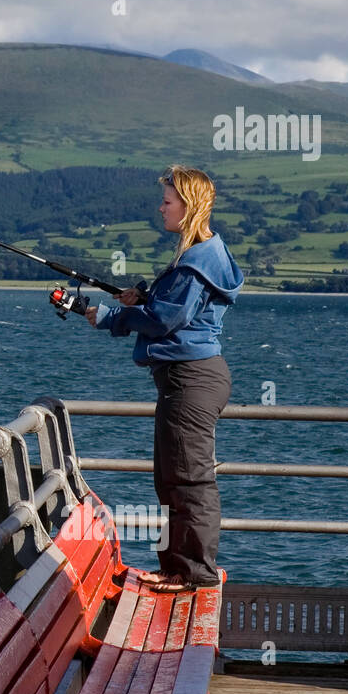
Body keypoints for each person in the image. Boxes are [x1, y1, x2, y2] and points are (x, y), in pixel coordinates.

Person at [83, 165, 244, 591]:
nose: (161, 208)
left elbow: (166, 319)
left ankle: (195, 574)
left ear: (188, 206)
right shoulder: (201, 253)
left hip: (192, 380)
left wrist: (109, 317)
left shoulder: (195, 261)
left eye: (168, 201)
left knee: (190, 479)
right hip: (189, 378)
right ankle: (176, 568)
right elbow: (173, 309)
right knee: (171, 478)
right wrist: (144, 296)